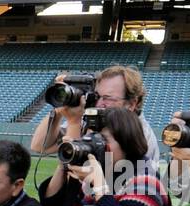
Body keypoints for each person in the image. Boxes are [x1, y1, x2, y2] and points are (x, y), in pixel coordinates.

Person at [38, 105, 168, 206]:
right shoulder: (97, 169)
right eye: (89, 138)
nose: (93, 145)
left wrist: (99, 186)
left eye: (102, 139)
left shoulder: (147, 178)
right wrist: (64, 163)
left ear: (126, 141)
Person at [30, 64, 161, 171]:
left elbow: (80, 178)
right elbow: (40, 146)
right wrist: (61, 104)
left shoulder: (140, 137)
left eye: (107, 98)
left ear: (131, 104)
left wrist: (74, 122)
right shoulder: (94, 120)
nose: (98, 104)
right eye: (97, 96)